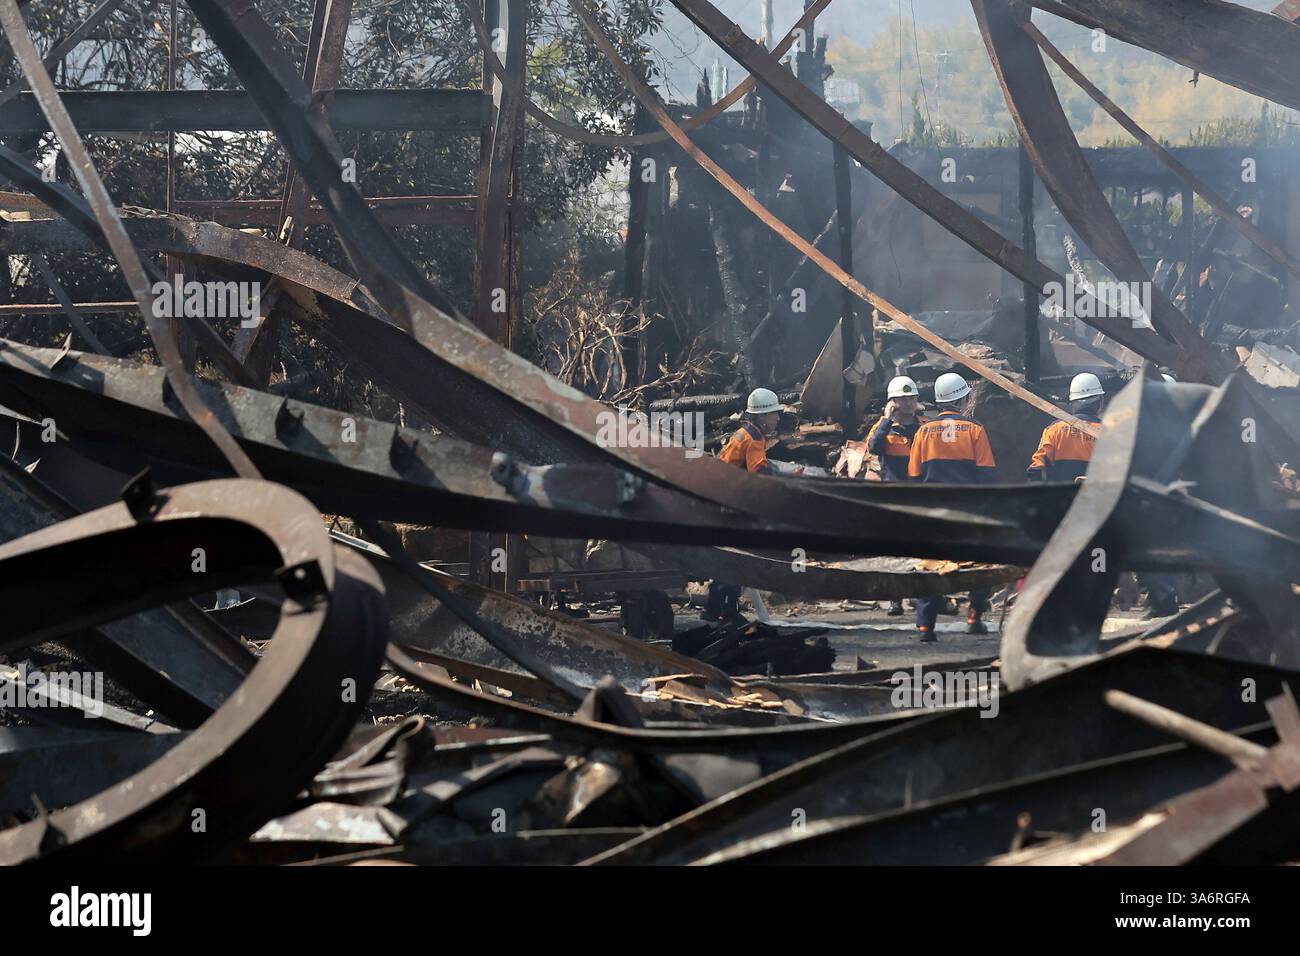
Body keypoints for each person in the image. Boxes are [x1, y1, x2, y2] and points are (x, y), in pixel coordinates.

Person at [908, 372, 998, 641]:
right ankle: (974, 618)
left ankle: (926, 627)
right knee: (979, 565)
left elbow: (913, 476)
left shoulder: (923, 431)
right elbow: (987, 475)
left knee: (932, 565)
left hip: (934, 509)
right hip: (969, 508)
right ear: (964, 399)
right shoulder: (975, 430)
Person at [703, 387, 781, 622]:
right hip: (731, 503)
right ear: (762, 415)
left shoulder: (744, 432)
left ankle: (712, 607)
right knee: (737, 556)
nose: (777, 417)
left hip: (719, 498)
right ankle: (728, 612)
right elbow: (758, 471)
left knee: (727, 555)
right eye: (774, 413)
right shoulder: (755, 438)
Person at [867, 375, 924, 615]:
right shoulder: (884, 427)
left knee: (919, 549)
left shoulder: (923, 428)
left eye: (911, 398)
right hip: (892, 495)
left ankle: (922, 597)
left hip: (917, 496)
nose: (908, 403)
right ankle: (895, 599)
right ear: (893, 402)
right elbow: (873, 447)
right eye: (903, 399)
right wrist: (886, 420)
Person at [1026, 373, 1103, 482]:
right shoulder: (1110, 433)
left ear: (1072, 401)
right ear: (1099, 402)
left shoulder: (1054, 429)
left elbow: (1037, 469)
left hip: (1060, 497)